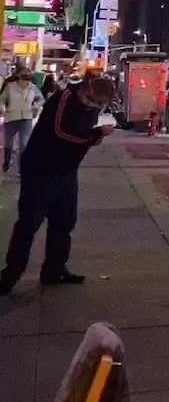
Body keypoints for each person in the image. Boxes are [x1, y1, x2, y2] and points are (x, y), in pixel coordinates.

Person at [0, 75, 116, 296]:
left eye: (102, 103)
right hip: (41, 170)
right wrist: (95, 136)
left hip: (66, 171)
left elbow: (83, 135)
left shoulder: (90, 107)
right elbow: (61, 132)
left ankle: (54, 270)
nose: (97, 106)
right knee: (28, 224)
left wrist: (95, 135)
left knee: (64, 223)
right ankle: (10, 276)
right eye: (97, 100)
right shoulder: (64, 98)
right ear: (88, 88)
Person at [0, 68, 44, 173]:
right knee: (8, 145)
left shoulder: (32, 88)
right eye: (23, 76)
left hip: (26, 118)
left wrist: (36, 106)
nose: (25, 79)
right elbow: (1, 100)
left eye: (27, 76)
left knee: (24, 144)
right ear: (18, 76)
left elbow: (41, 99)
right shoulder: (10, 87)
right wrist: (3, 110)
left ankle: (22, 168)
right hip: (11, 118)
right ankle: (7, 161)